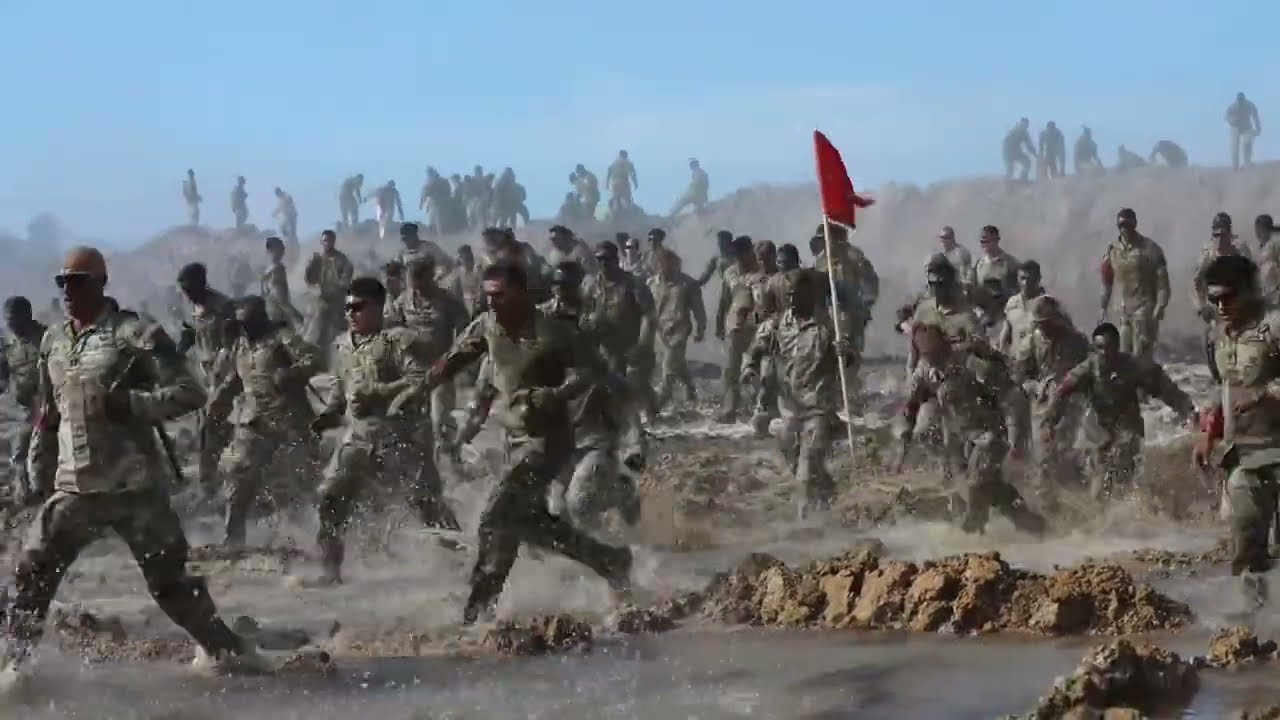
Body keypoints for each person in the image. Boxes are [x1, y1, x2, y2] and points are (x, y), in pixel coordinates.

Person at [2, 246, 263, 675]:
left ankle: (232, 655)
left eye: (78, 282)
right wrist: (38, 470)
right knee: (32, 573)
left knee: (172, 589)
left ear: (101, 283)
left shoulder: (134, 334)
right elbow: (48, 416)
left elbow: (191, 393)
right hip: (76, 487)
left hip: (134, 490)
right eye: (63, 282)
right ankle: (15, 670)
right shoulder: (54, 341)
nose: (68, 291)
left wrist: (131, 404)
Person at [424, 261, 634, 624]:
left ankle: (477, 611)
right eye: (488, 296)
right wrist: (419, 387)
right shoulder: (488, 326)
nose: (492, 303)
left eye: (499, 295)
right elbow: (454, 362)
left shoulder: (554, 329)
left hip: (548, 441)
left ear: (521, 293)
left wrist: (557, 393)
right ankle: (609, 560)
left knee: (495, 518)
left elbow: (593, 369)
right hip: (514, 442)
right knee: (525, 524)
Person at [310, 277, 460, 585]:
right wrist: (325, 417)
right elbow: (339, 395)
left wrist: (377, 391)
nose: (350, 314)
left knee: (427, 504)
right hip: (358, 438)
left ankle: (462, 564)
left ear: (378, 308)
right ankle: (330, 571)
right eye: (347, 308)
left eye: (358, 307)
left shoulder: (396, 341)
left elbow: (419, 379)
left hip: (399, 438)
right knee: (331, 499)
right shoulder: (342, 345)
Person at [897, 321, 1046, 535]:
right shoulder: (924, 371)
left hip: (990, 430)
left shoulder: (971, 361)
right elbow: (911, 406)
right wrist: (906, 435)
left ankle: (974, 533)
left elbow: (1010, 396)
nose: (937, 361)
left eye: (938, 355)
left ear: (945, 348)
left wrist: (1013, 434)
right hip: (959, 434)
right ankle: (1029, 523)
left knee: (978, 482)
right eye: (930, 358)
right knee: (976, 488)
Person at [1194, 254, 1277, 609]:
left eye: (1228, 297)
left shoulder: (1273, 327)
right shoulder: (1220, 337)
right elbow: (1223, 386)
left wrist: (1265, 394)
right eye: (1214, 299)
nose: (1221, 306)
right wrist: (1208, 433)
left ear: (1247, 291)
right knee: (1245, 545)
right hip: (1244, 454)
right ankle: (1254, 620)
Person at [205, 296, 321, 546]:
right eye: (241, 324)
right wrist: (219, 401)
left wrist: (291, 374)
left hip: (289, 422)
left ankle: (311, 539)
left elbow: (315, 358)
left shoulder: (281, 338)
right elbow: (237, 378)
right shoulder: (241, 346)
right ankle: (233, 539)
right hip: (254, 424)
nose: (245, 329)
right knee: (236, 473)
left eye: (249, 323)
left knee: (291, 485)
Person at [744, 269, 853, 518]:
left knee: (806, 467)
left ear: (811, 296)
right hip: (790, 410)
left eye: (799, 295)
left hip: (818, 409)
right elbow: (756, 348)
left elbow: (849, 358)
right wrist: (749, 367)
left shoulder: (828, 327)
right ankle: (828, 495)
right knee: (798, 463)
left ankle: (805, 523)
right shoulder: (776, 325)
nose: (793, 300)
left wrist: (843, 352)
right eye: (790, 295)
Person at [1050, 322, 1194, 501]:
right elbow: (1062, 391)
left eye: (1109, 347)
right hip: (1098, 428)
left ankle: (1126, 507)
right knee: (1098, 481)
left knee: (1123, 472)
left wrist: (1186, 409)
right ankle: (1100, 509)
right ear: (1094, 349)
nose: (1105, 353)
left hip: (1127, 426)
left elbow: (1163, 387)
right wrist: (1051, 419)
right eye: (1100, 348)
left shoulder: (1131, 366)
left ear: (1117, 347)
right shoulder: (1087, 369)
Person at [176, 263, 237, 495]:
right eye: (184, 290)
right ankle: (209, 477)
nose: (186, 295)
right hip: (206, 375)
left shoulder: (222, 307)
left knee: (213, 425)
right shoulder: (193, 307)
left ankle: (209, 480)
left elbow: (232, 343)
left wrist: (223, 372)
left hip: (227, 373)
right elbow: (193, 333)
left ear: (201, 284)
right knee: (207, 426)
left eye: (189, 289)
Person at [1100, 208, 1170, 359]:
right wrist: (1103, 305)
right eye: (1121, 225)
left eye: (1128, 225)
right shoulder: (1112, 250)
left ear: (1135, 225)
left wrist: (1160, 305)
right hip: (1123, 310)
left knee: (1141, 355)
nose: (1125, 229)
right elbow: (1107, 280)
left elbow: (1162, 281)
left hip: (1144, 309)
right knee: (1123, 355)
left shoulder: (1149, 248)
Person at [0, 297, 47, 503]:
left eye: (14, 319)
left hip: (51, 404)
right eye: (7, 320)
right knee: (20, 450)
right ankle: (26, 495)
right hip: (25, 409)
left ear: (26, 316)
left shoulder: (47, 337)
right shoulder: (8, 344)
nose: (11, 324)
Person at [649, 248, 706, 410]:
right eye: (660, 263)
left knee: (668, 368)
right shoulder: (652, 283)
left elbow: (698, 309)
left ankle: (658, 405)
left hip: (679, 331)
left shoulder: (687, 284)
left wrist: (701, 328)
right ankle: (690, 388)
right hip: (659, 331)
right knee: (678, 364)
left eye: (668, 263)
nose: (663, 267)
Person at [303, 230, 355, 363]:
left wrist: (334, 289)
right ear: (321, 242)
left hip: (336, 301)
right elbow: (309, 280)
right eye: (325, 240)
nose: (327, 243)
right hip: (318, 301)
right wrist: (311, 267)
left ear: (334, 241)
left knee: (336, 332)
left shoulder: (341, 259)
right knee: (314, 330)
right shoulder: (316, 259)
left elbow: (346, 279)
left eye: (329, 240)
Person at [1226, 92, 1262, 170]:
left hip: (1247, 127)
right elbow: (1227, 116)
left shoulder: (1250, 105)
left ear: (1244, 99)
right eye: (1239, 100)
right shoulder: (1233, 106)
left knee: (1247, 144)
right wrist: (1232, 120)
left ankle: (1247, 164)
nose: (1240, 101)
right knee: (1234, 147)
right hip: (1235, 128)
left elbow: (1256, 116)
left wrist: (1258, 128)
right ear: (1237, 100)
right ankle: (1235, 167)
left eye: (1241, 100)